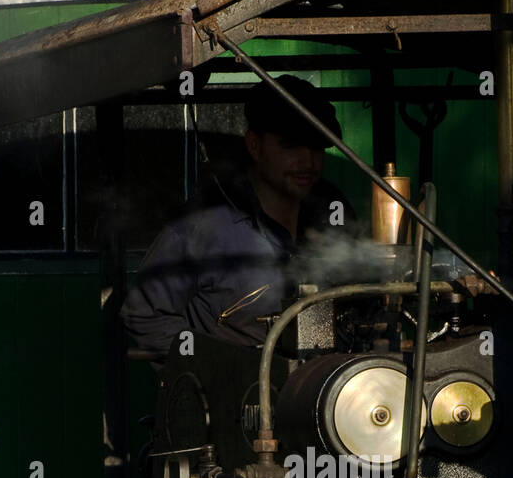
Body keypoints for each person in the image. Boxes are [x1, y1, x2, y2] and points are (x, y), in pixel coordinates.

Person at [120, 75, 356, 357]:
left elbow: (360, 299)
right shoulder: (204, 224)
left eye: (317, 147)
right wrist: (217, 369)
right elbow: (144, 314)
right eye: (291, 146)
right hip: (233, 396)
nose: (308, 161)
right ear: (255, 145)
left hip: (325, 394)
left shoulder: (333, 208)